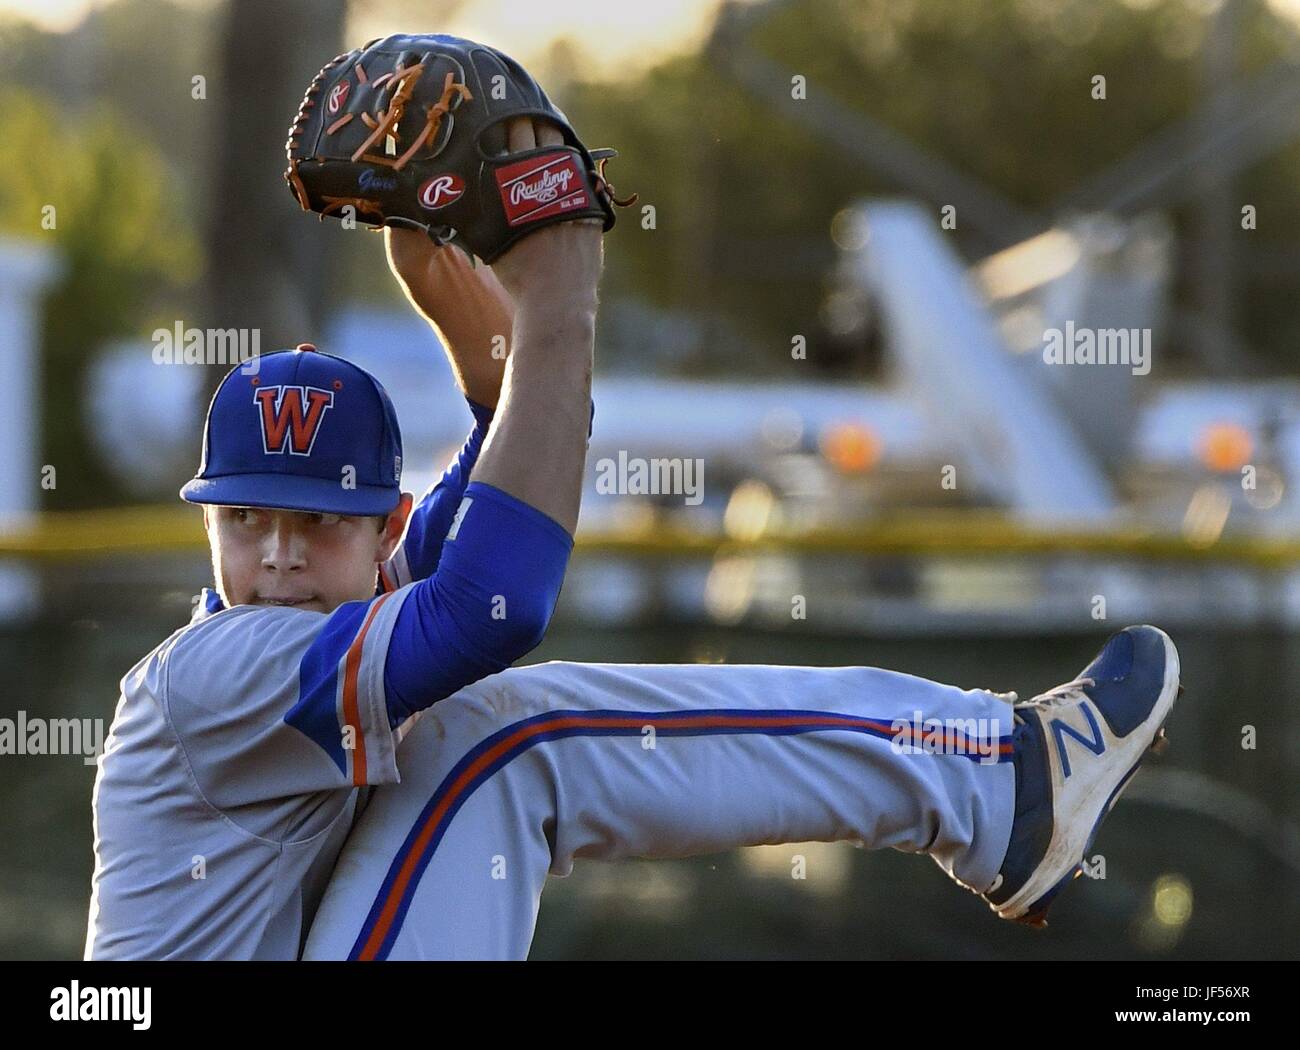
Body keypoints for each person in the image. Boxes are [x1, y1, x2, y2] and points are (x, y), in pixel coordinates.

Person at [85, 117, 1179, 961]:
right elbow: (493, 607)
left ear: (386, 532)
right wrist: (558, 303)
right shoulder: (215, 670)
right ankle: (995, 781)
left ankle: (995, 782)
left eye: (315, 522)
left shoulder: (333, 628)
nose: (276, 554)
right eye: (244, 518)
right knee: (487, 744)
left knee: (470, 735)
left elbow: (499, 495)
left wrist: (484, 342)